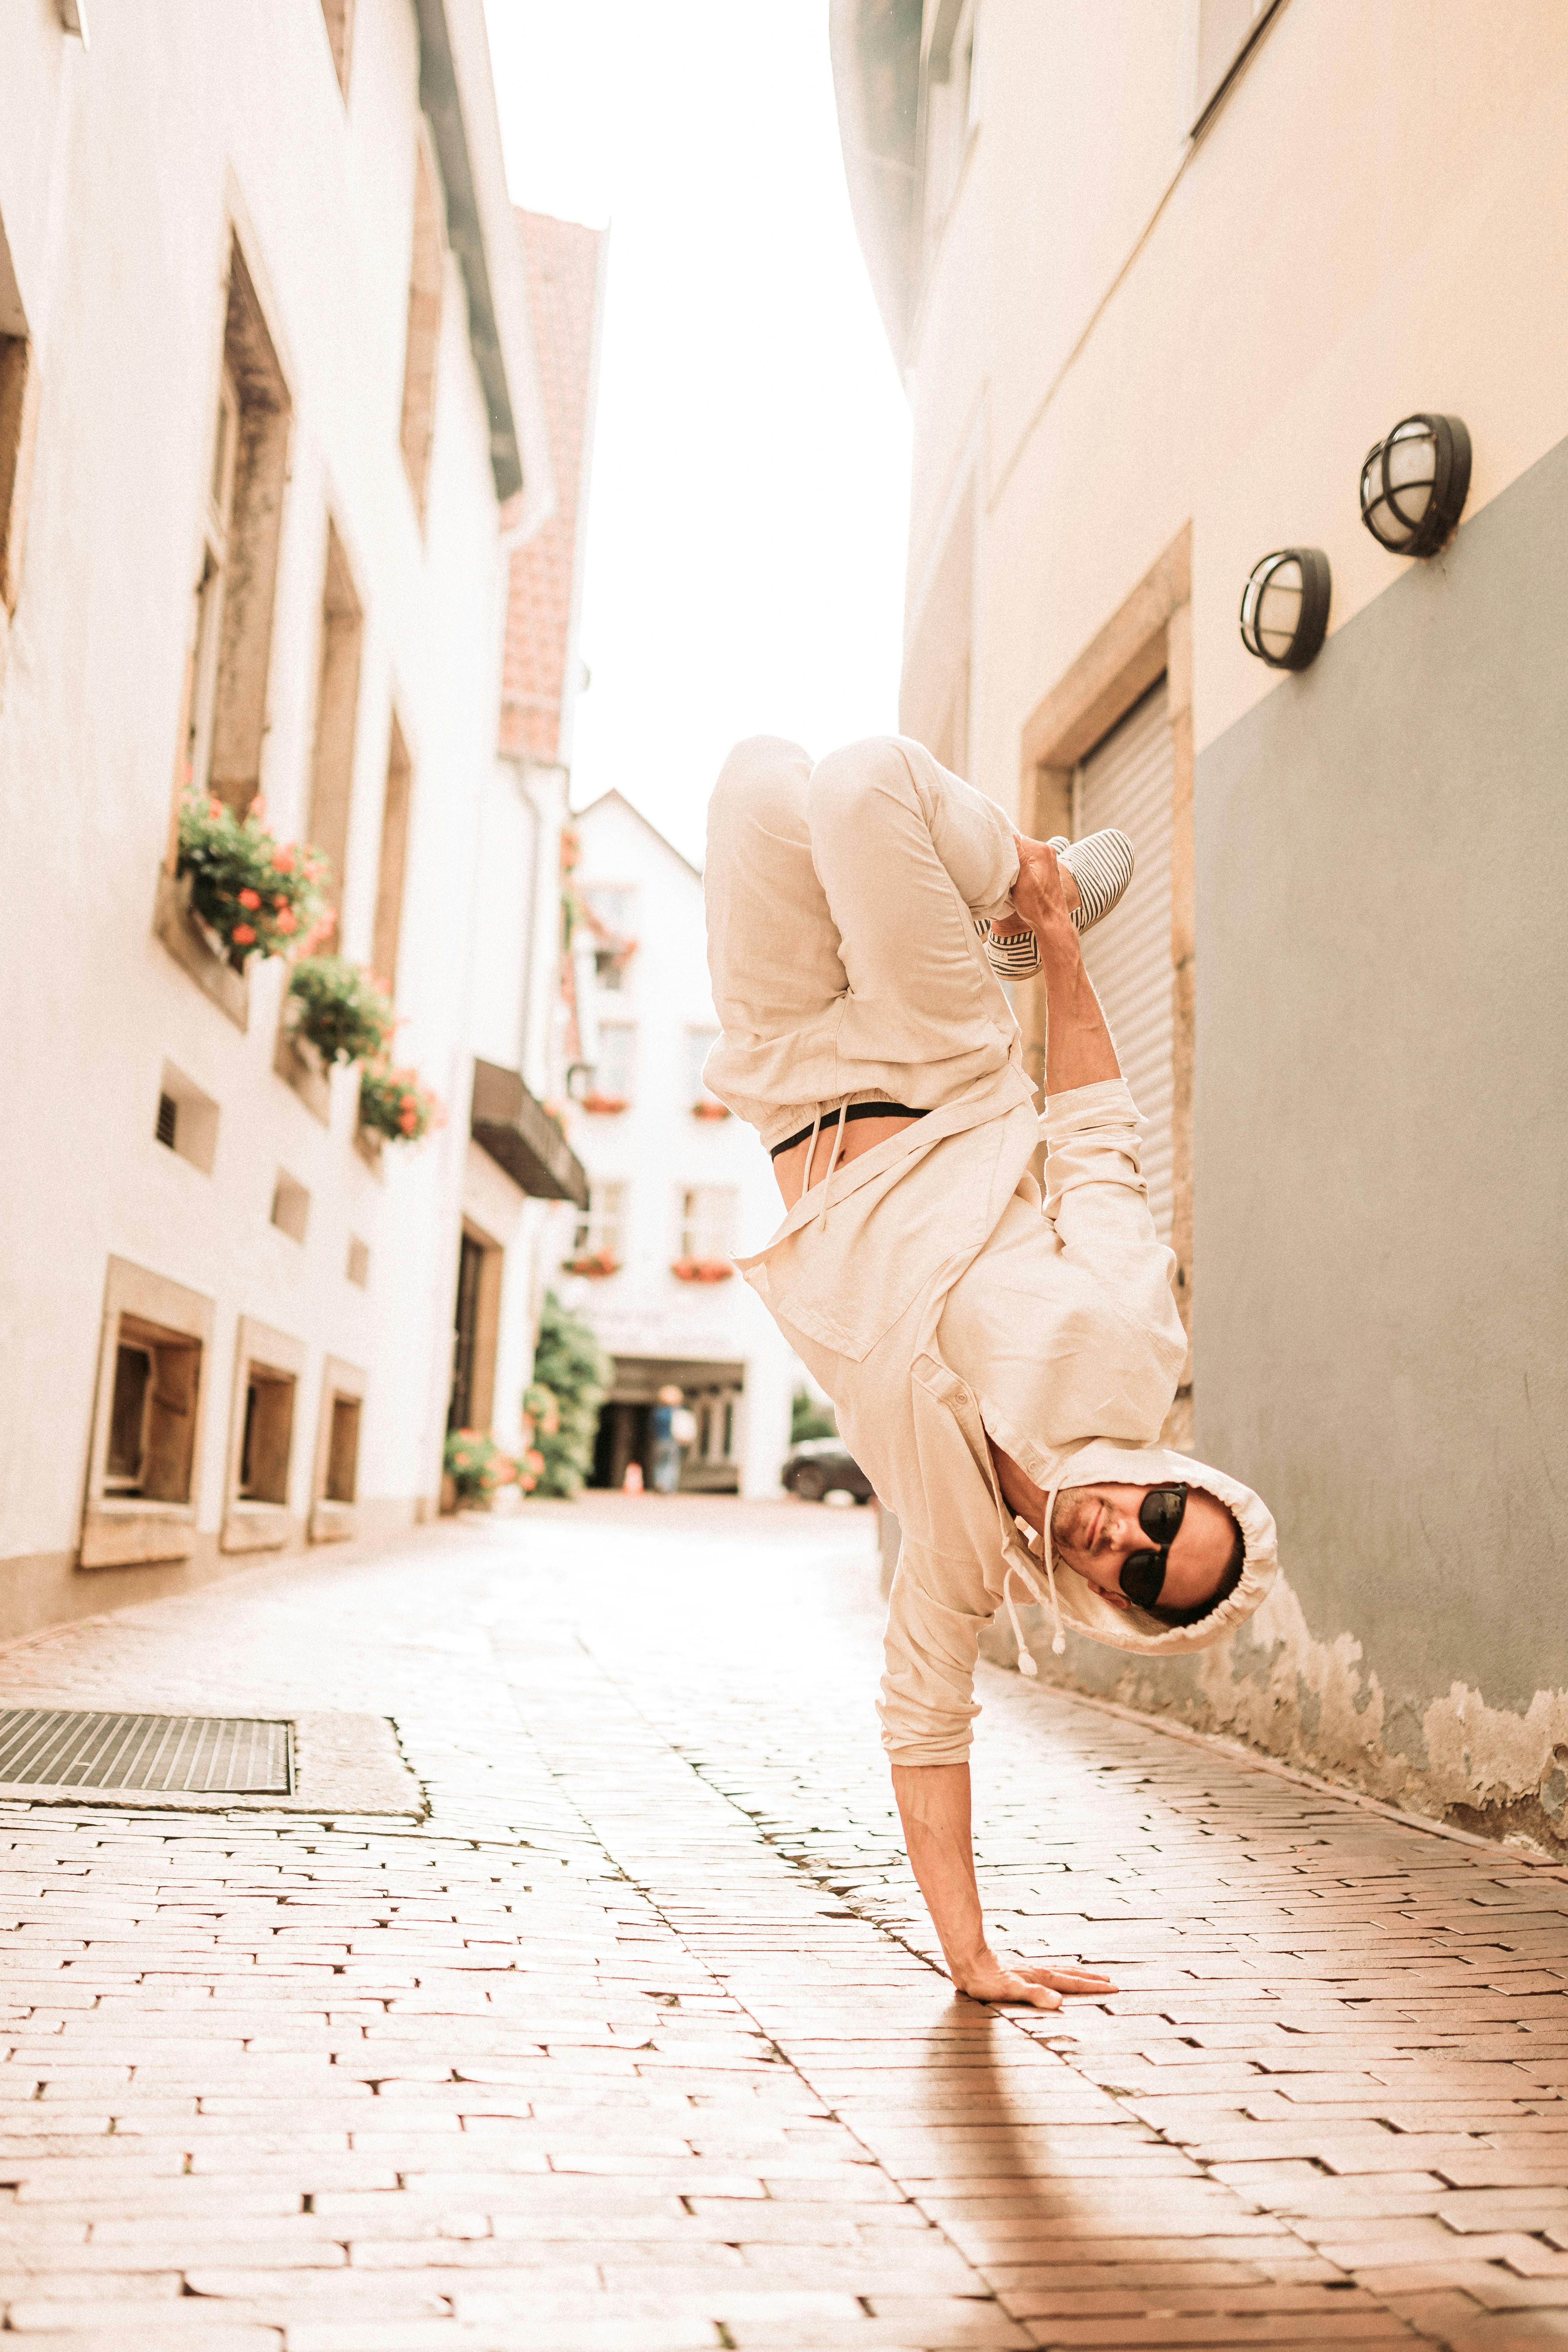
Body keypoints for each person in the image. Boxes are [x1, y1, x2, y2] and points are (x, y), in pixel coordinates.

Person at [702, 734, 1278, 2012]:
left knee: (755, 782)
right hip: (940, 1071)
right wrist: (1062, 946)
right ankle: (1024, 883)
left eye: (1141, 1572)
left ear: (1109, 1600)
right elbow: (1094, 1146)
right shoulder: (1133, 1350)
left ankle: (985, 892)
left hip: (792, 1089)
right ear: (1178, 1478)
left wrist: (972, 1959)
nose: (1127, 1533)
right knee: (856, 783)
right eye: (1168, 1518)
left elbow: (924, 1725)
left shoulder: (964, 1556)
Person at [647, 1384, 695, 1495]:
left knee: (659, 1464)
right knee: (671, 1465)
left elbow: (652, 1428)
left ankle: (659, 1483)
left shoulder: (658, 1412)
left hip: (659, 1441)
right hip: (673, 1442)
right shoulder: (678, 1412)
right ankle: (668, 1487)